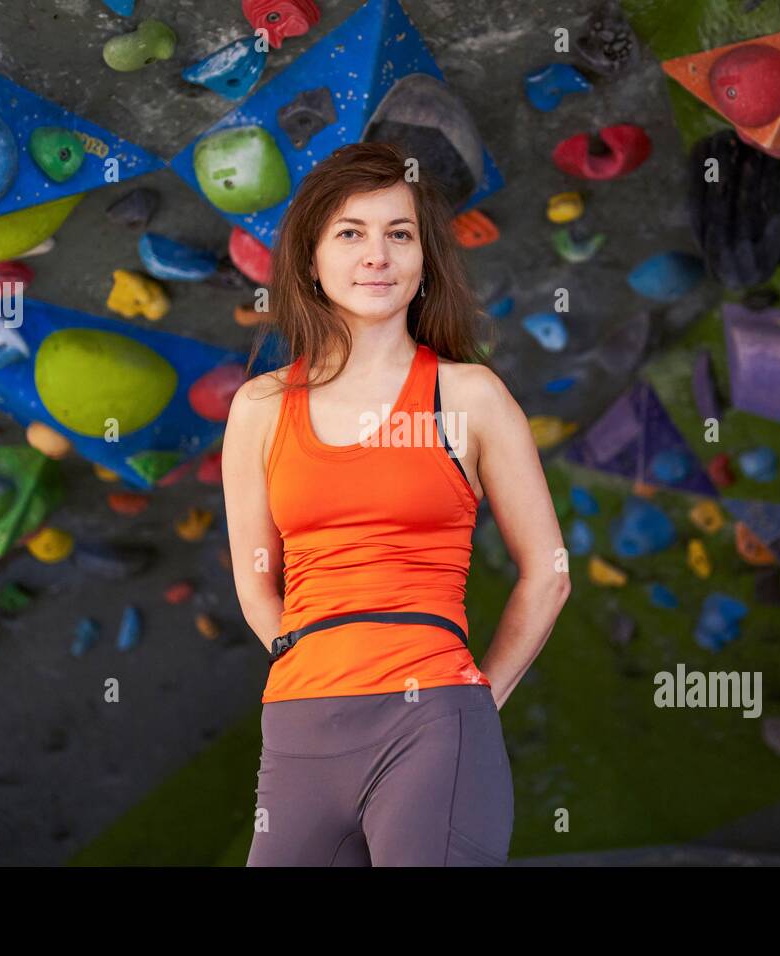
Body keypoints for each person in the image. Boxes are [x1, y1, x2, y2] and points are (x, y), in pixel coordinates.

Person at [222, 141, 570, 866]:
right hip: (296, 731)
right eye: (351, 233)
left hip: (433, 719)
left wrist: (480, 695)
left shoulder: (469, 397)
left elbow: (550, 571)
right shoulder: (259, 407)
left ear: (424, 262)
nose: (376, 255)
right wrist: (305, 657)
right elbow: (256, 580)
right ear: (312, 261)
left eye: (399, 234)